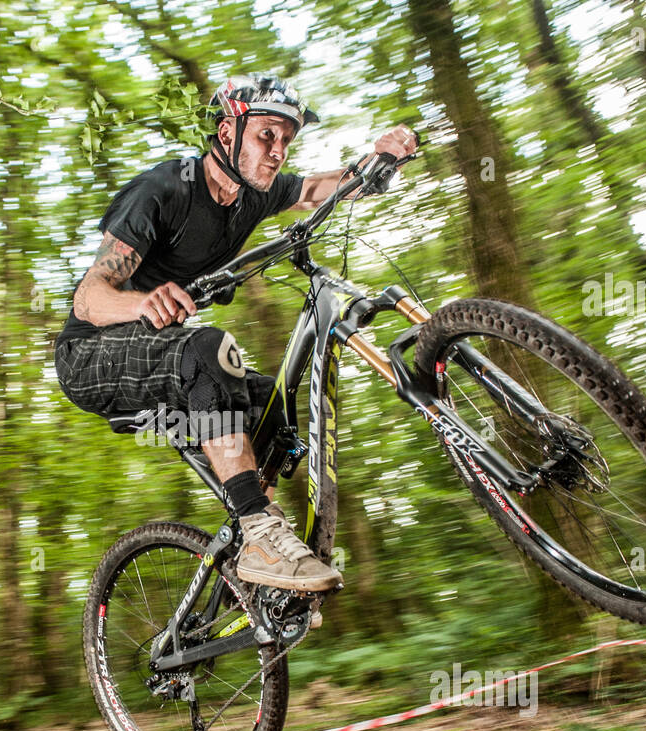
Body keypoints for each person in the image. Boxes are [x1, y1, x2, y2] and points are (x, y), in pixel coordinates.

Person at [55, 73, 417, 593]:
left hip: (161, 354)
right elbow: (88, 298)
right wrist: (143, 301)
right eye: (266, 135)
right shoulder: (165, 189)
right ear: (228, 133)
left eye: (287, 141)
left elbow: (318, 189)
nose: (277, 152)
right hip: (89, 355)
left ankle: (257, 549)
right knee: (210, 348)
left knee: (272, 402)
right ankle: (261, 530)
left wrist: (378, 160)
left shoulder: (254, 195)